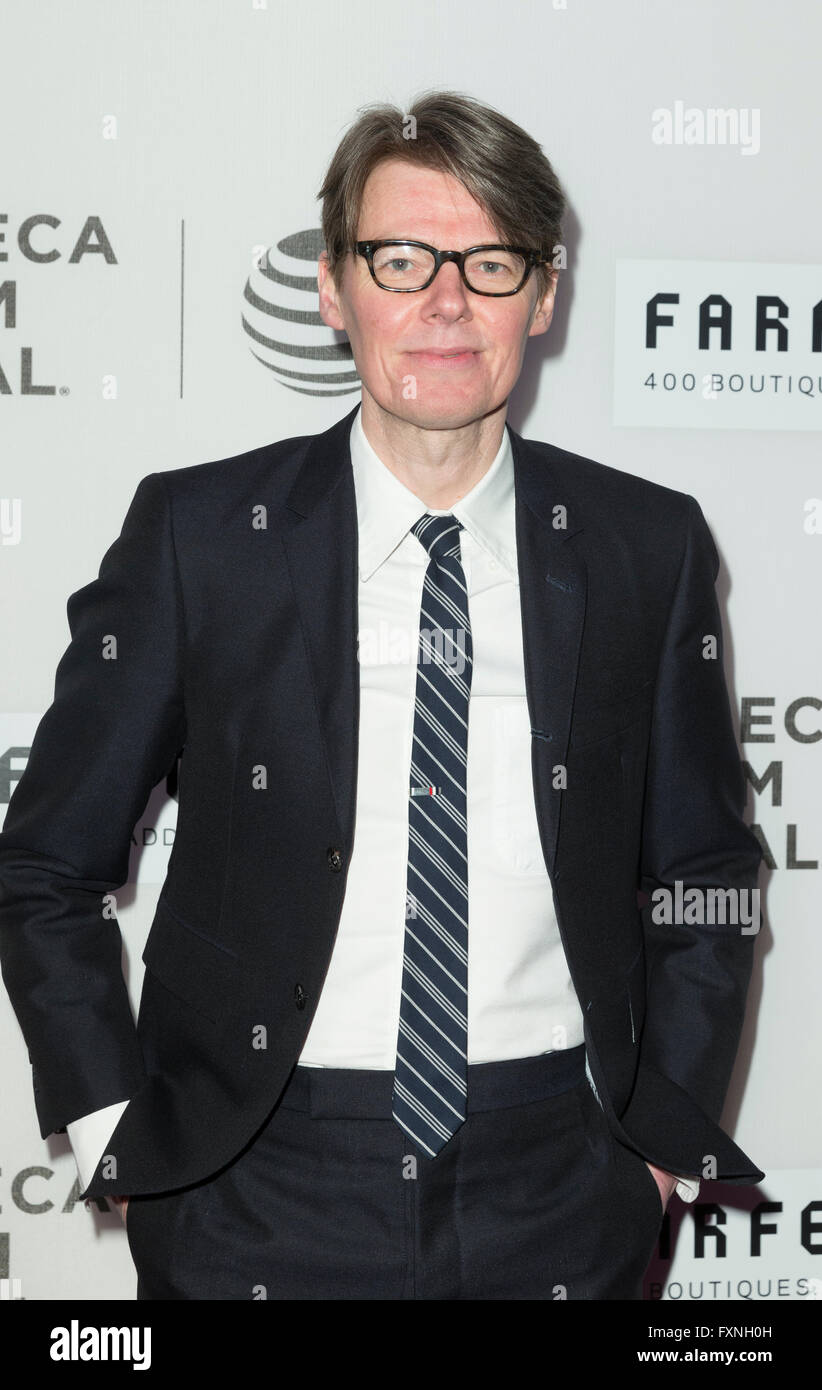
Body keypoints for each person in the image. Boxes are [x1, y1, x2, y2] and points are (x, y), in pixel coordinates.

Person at [0, 90, 763, 1300]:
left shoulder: (643, 548)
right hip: (254, 1181)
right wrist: (112, 1125)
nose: (445, 301)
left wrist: (659, 1145)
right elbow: (47, 865)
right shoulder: (204, 539)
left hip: (560, 1186)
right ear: (332, 286)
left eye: (491, 260)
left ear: (545, 294)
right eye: (400, 258)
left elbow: (709, 872)